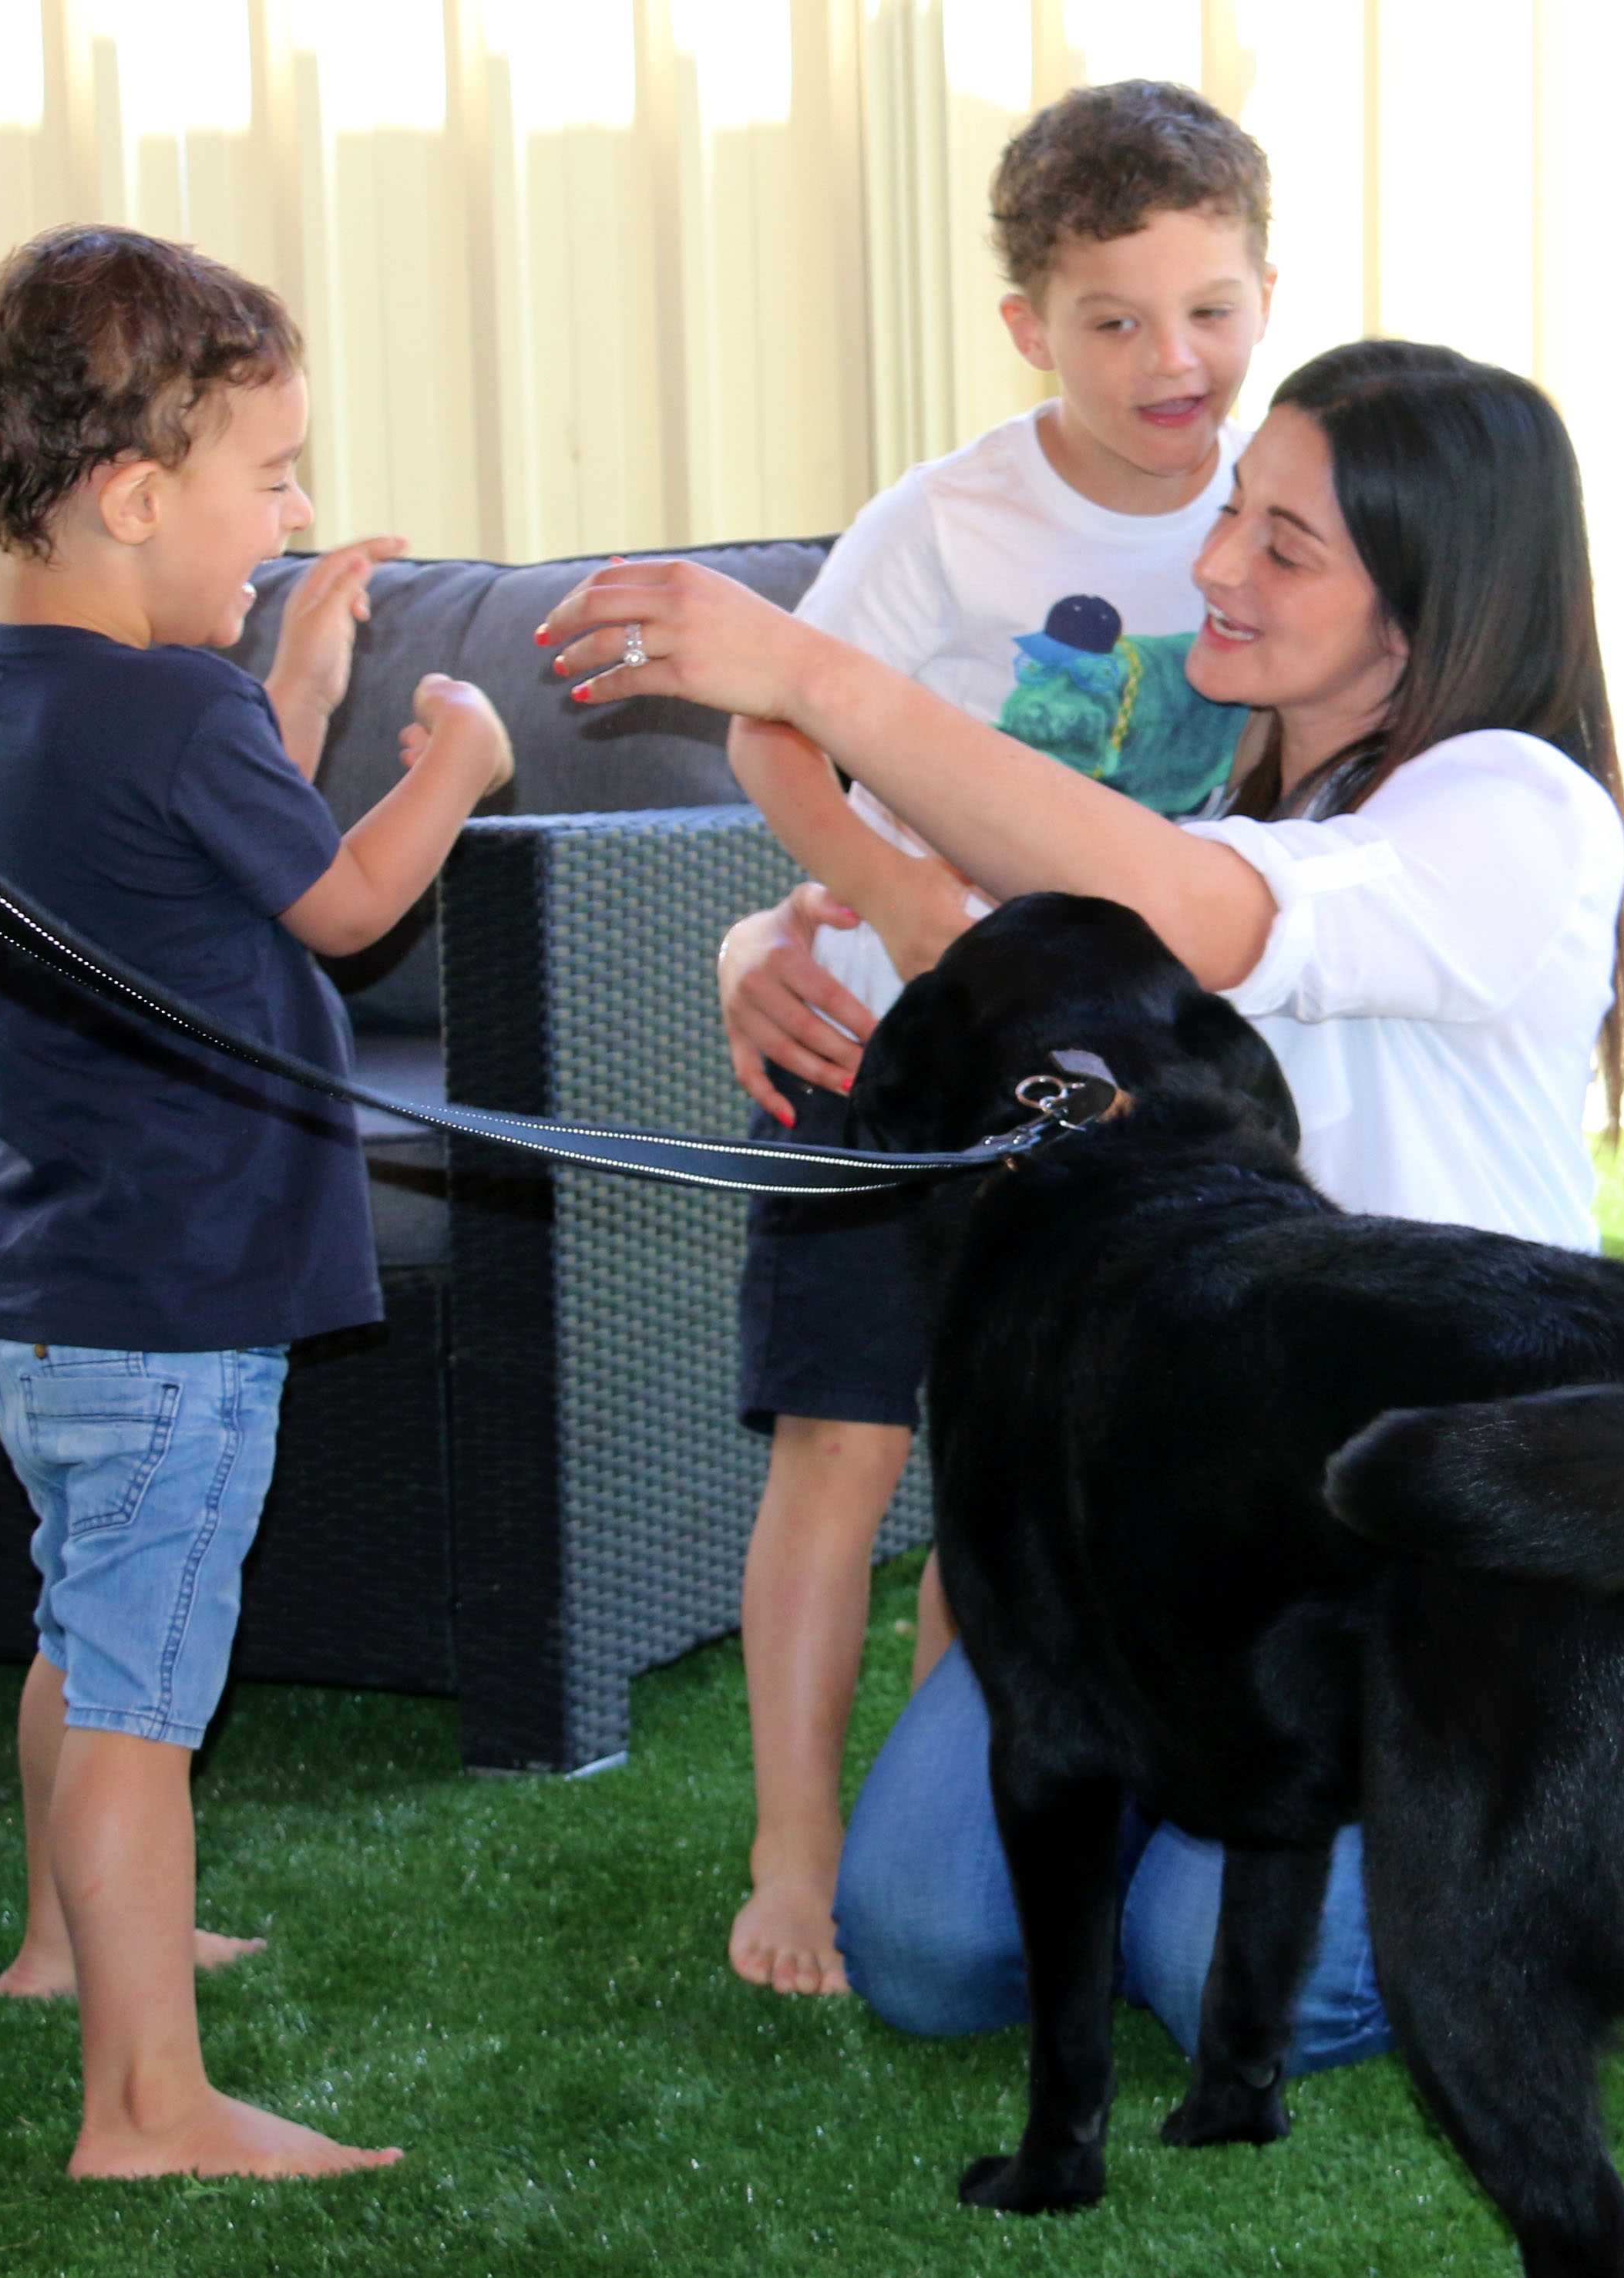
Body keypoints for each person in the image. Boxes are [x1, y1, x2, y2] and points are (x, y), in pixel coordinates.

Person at [534, 336, 1624, 2072]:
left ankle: (1531, 1812)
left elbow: (1194, 917)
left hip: (1424, 1542)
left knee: (1210, 1967)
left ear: (1421, 613)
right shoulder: (1215, 802)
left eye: (1285, 547)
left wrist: (819, 678)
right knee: (922, 1945)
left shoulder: (1508, 812)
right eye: (1233, 516)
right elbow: (995, 938)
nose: (1211, 564)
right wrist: (765, 941)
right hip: (1192, 1521)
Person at [562, 81, 1274, 2001]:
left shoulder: (1269, 521)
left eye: (1207, 308)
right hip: (884, 1062)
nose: (1168, 359)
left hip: (1119, 1092)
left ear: (1263, 290)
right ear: (1028, 324)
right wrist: (875, 899)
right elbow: (766, 728)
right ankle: (797, 1846)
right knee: (843, 1443)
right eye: (1111, 318)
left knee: (1014, 1466)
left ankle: (948, 1804)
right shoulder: (950, 519)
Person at [0, 224, 513, 2179]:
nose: (296, 508)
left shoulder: (2, 689)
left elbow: (192, 839)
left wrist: (298, 670)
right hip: (177, 1301)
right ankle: (147, 2102)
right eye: (269, 475)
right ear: (133, 494)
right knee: (144, 1695)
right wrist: (455, 758)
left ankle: (57, 1940)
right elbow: (339, 904)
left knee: (84, 1629)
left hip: (47, 1277)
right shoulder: (169, 714)